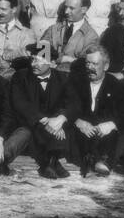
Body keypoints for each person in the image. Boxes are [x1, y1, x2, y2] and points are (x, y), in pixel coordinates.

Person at [5, 41, 79, 179]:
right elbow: (20, 104)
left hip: (55, 126)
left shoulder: (63, 78)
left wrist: (60, 119)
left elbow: (73, 103)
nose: (34, 64)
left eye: (40, 60)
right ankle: (50, 162)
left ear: (51, 63)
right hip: (30, 124)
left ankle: (50, 162)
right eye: (33, 59)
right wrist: (46, 120)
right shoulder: (20, 77)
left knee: (67, 125)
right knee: (35, 129)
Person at [71, 47, 124, 177]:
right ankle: (90, 160)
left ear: (106, 66)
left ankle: (101, 161)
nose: (90, 67)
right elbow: (66, 106)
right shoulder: (76, 83)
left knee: (114, 135)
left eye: (95, 64)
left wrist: (111, 124)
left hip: (104, 136)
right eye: (87, 63)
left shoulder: (117, 86)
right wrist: (77, 121)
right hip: (80, 134)